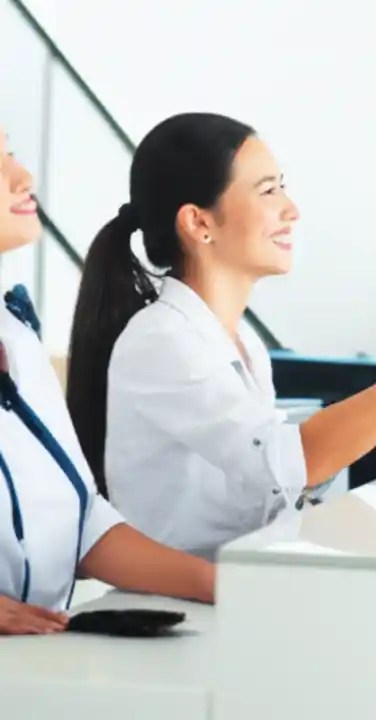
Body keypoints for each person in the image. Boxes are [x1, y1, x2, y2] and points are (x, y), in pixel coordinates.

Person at [64, 113, 376, 558]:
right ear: (199, 222)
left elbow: (280, 486)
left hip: (238, 588)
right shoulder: (161, 341)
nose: (292, 210)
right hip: (179, 606)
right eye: (268, 191)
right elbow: (289, 463)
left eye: (283, 187)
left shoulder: (243, 344)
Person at [0, 127, 214, 634]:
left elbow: (79, 522)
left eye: (9, 152)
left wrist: (215, 584)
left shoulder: (16, 333)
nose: (23, 176)